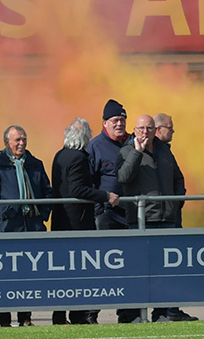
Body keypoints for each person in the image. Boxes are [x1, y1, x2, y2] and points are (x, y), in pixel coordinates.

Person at [118, 114, 195, 323]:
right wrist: (137, 152)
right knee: (138, 270)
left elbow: (178, 177)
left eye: (149, 128)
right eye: (141, 128)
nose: (145, 132)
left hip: (167, 219)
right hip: (141, 221)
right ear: (134, 130)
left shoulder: (165, 151)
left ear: (155, 130)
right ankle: (131, 315)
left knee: (167, 271)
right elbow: (123, 177)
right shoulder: (126, 151)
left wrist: (176, 201)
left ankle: (162, 312)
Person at [51, 118, 118, 326]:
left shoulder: (59, 155)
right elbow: (77, 190)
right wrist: (106, 195)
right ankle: (79, 315)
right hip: (77, 222)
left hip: (61, 221)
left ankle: (60, 315)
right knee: (80, 271)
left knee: (62, 273)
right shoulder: (79, 159)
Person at [0, 125, 51, 328]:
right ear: (6, 143)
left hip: (33, 226)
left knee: (28, 275)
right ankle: (3, 319)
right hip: (9, 228)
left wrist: (43, 215)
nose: (21, 143)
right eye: (17, 140)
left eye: (23, 139)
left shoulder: (35, 164)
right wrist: (6, 212)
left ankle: (25, 317)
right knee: (5, 276)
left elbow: (48, 191)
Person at [87, 99, 134, 323]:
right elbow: (88, 183)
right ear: (104, 123)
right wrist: (101, 204)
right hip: (106, 215)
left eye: (123, 120)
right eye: (115, 120)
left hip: (132, 215)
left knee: (130, 268)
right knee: (102, 268)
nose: (119, 124)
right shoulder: (95, 146)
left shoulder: (134, 142)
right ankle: (91, 314)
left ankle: (127, 313)